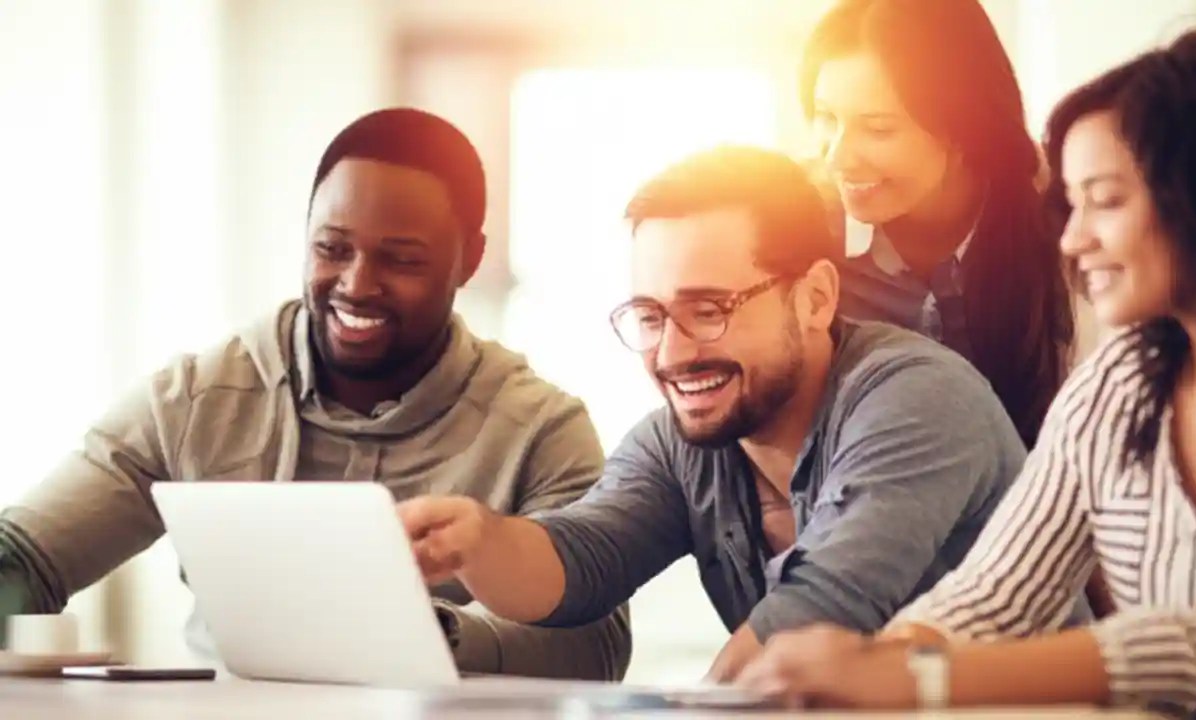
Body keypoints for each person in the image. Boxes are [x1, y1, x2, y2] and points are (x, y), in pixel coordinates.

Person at [736, 30, 1196, 719]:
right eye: (1073, 204)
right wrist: (880, 661)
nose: (1074, 239)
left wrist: (918, 683)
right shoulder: (1116, 384)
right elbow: (996, 590)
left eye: (1106, 201)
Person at [0, 108, 630, 681]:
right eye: (331, 249)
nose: (356, 285)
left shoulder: (542, 429)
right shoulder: (197, 398)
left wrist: (435, 636)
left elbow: (597, 647)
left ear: (469, 261)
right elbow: (26, 558)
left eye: (401, 261)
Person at [395, 145, 1028, 682]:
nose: (671, 353)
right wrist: (479, 541)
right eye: (650, 316)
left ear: (814, 297)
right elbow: (580, 560)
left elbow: (824, 606)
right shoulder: (681, 441)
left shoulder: (915, 398)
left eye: (708, 310)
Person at [800, 0, 1075, 449]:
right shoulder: (803, 224)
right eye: (826, 118)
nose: (838, 157)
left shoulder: (1063, 216)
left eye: (878, 128)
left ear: (962, 126)